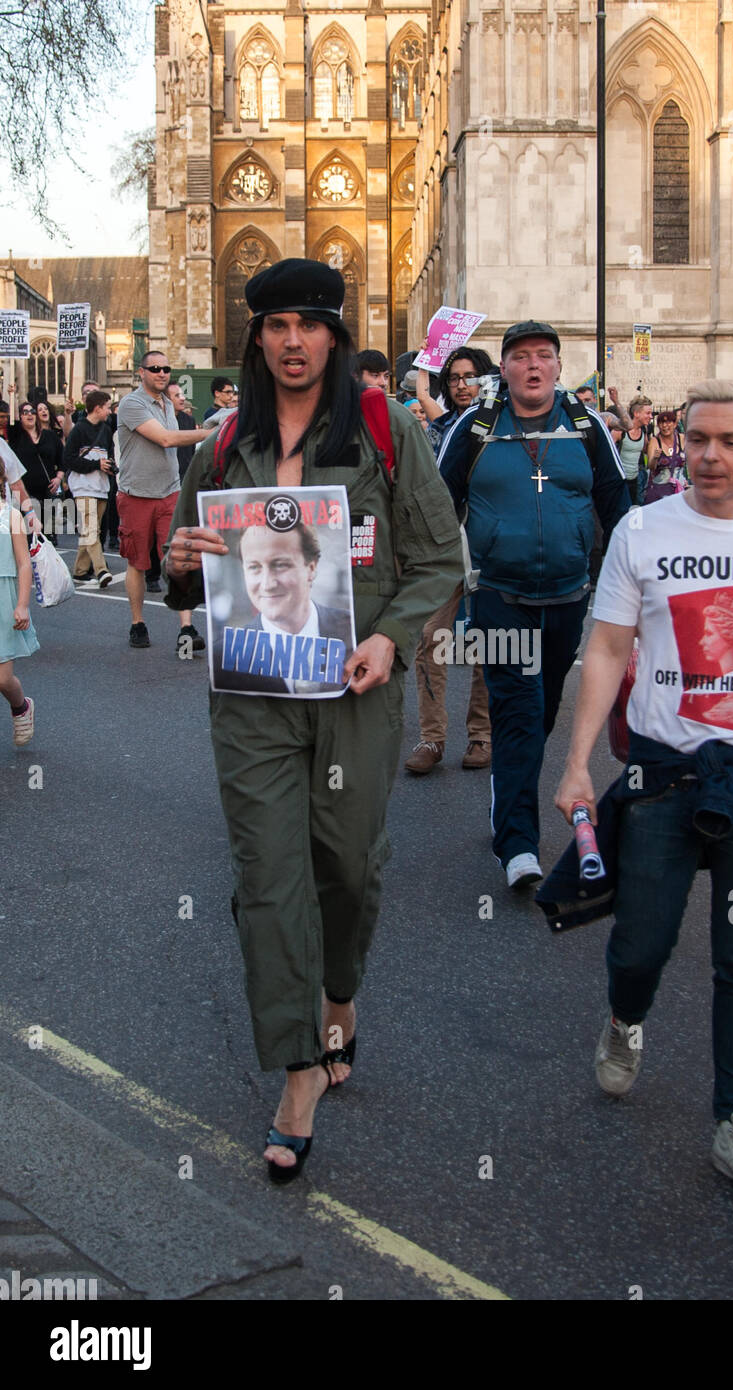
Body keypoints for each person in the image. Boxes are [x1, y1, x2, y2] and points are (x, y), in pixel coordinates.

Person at [163, 258, 464, 1181]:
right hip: (252, 696)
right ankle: (297, 1072)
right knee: (268, 870)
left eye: (310, 324)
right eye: (276, 325)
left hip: (352, 697)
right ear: (256, 338)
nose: (292, 340)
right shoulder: (221, 446)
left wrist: (391, 641)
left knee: (345, 864)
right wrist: (180, 560)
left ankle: (340, 992)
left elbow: (438, 560)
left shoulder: (384, 430)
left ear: (334, 336)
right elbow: (184, 571)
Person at [549, 378, 733, 1217]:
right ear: (680, 443)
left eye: (730, 442)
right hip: (663, 776)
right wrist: (574, 768)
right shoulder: (642, 528)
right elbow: (604, 650)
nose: (710, 455)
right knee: (640, 943)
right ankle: (624, 1018)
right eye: (697, 439)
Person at [438, 319, 628, 887]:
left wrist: (638, 584)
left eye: (543, 356)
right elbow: (437, 502)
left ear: (558, 367)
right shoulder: (476, 427)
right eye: (521, 357)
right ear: (507, 368)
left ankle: (507, 802)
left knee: (542, 711)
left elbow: (619, 502)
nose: (533, 365)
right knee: (518, 710)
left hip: (568, 595)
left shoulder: (586, 426)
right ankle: (519, 846)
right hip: (499, 595)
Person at [405, 344, 495, 775]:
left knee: (486, 642)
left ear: (486, 379)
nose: (462, 385)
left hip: (489, 550)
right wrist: (429, 355)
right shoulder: (442, 427)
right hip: (442, 549)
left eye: (469, 376)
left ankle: (481, 735)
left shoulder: (502, 423)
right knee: (430, 638)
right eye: (454, 378)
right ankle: (432, 738)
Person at [116, 352, 216, 651]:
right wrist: (213, 433)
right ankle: (138, 624)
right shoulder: (131, 404)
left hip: (169, 492)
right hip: (137, 494)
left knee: (179, 559)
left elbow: (174, 436)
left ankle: (186, 628)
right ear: (141, 372)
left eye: (166, 369)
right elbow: (166, 439)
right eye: (155, 368)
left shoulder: (166, 404)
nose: (161, 373)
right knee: (137, 562)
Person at [212, 519, 355, 695]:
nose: (267, 584)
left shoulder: (353, 632)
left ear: (311, 568)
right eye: (254, 567)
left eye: (280, 565)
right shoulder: (224, 656)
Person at [0, 448, 39, 746]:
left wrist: (23, 604)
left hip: (4, 602)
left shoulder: (10, 515)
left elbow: (24, 563)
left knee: (2, 679)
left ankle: (20, 706)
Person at [63, 389, 115, 588]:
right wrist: (96, 465)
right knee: (91, 529)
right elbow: (68, 460)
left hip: (101, 486)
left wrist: (110, 466)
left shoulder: (106, 429)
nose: (110, 411)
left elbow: (108, 455)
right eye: (108, 407)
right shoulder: (78, 430)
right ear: (97, 408)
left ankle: (80, 571)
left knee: (91, 529)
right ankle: (101, 569)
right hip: (83, 486)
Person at [10, 401, 65, 545]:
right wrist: (12, 396)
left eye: (33, 412)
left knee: (48, 537)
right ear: (20, 417)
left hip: (48, 491)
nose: (30, 415)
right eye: (25, 412)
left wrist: (59, 477)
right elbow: (11, 421)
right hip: (25, 493)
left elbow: (63, 458)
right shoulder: (17, 437)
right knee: (29, 535)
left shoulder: (49, 436)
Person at [642, 408, 687, 502]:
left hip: (679, 490)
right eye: (662, 423)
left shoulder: (682, 438)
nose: (665, 426)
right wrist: (655, 458)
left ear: (675, 424)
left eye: (668, 422)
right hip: (659, 491)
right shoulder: (655, 442)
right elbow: (651, 466)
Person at [618, 396, 652, 505]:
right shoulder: (621, 430)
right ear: (637, 413)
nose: (651, 416)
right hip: (620, 481)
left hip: (635, 479)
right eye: (648, 413)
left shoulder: (643, 430)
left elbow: (646, 450)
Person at [165, 381, 199, 481]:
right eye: (177, 395)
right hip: (165, 478)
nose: (183, 398)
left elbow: (191, 450)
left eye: (182, 395)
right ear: (166, 399)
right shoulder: (157, 421)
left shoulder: (189, 420)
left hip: (185, 476)